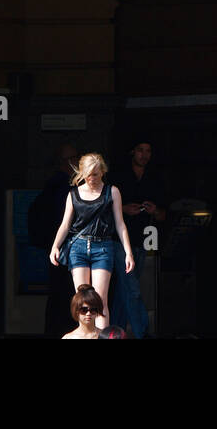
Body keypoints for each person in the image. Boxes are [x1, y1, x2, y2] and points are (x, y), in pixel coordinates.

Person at [49, 152, 134, 330]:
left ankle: (102, 335)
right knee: (83, 299)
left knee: (100, 299)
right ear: (82, 173)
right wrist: (55, 246)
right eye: (88, 174)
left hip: (102, 247)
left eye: (95, 174)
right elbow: (65, 224)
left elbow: (120, 224)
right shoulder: (73, 194)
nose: (92, 178)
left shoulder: (112, 192)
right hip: (78, 247)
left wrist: (128, 252)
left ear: (103, 172)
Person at [114, 137, 167, 338]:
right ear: (132, 152)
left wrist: (154, 211)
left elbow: (164, 214)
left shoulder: (155, 178)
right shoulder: (119, 176)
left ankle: (115, 331)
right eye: (140, 150)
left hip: (144, 237)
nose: (144, 155)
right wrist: (124, 209)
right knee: (132, 288)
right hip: (119, 239)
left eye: (148, 151)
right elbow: (105, 207)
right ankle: (142, 332)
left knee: (124, 290)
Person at [35, 142, 79, 338]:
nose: (77, 162)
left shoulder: (53, 185)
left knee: (59, 293)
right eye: (73, 158)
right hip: (64, 248)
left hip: (57, 248)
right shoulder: (64, 187)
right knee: (66, 292)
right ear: (65, 162)